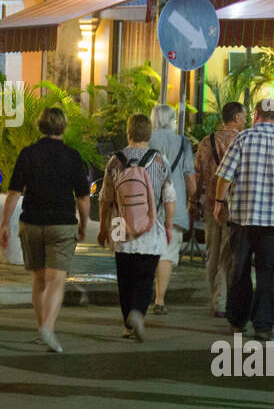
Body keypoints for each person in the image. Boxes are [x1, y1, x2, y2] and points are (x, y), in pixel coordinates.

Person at [0, 106, 90, 354]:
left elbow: (14, 193)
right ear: (63, 127)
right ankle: (48, 327)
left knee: (38, 280)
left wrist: (5, 224)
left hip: (32, 222)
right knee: (56, 281)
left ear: (40, 126)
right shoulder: (72, 156)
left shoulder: (28, 154)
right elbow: (82, 198)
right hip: (62, 224)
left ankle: (42, 330)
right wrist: (83, 224)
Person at [214, 97, 274, 342]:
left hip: (243, 219)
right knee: (269, 274)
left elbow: (224, 176)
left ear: (255, 115)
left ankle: (237, 321)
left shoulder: (242, 139)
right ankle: (263, 325)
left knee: (239, 271)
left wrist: (219, 203)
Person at [98, 113, 176, 342]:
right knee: (145, 275)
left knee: (125, 277)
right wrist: (169, 225)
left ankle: (126, 325)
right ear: (148, 133)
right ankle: (138, 314)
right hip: (150, 226)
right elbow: (169, 196)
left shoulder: (115, 160)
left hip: (119, 224)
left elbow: (105, 198)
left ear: (128, 132)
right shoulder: (160, 160)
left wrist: (103, 228)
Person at [192, 102, 245, 318]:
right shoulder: (241, 141)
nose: (245, 120)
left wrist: (194, 200)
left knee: (212, 253)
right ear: (237, 118)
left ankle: (215, 300)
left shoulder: (207, 142)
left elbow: (197, 175)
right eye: (243, 117)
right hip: (235, 206)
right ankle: (222, 301)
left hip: (211, 204)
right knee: (228, 254)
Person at [147, 104, 196, 315]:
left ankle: (143, 296)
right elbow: (190, 179)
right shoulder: (183, 142)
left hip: (148, 205)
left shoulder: (145, 140)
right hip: (174, 206)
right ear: (172, 120)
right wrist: (191, 198)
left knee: (147, 251)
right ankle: (159, 300)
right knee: (166, 254)